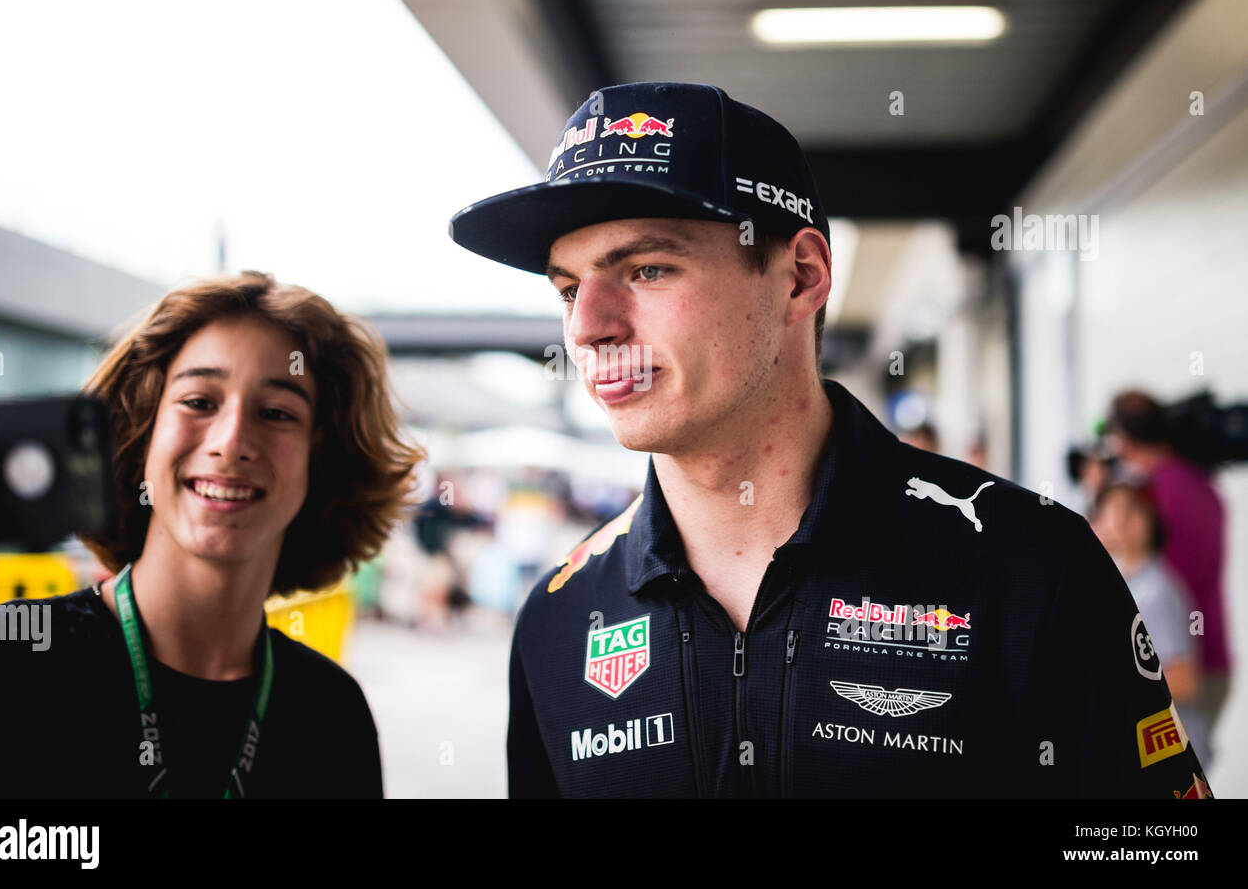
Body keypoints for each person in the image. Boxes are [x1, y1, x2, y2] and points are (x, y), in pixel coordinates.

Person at [448, 81, 1212, 798]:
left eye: (647, 268)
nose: (588, 327)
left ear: (801, 275)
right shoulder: (559, 617)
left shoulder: (1029, 565)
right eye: (569, 288)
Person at [0, 270, 421, 797]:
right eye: (199, 401)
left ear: (321, 460)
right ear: (142, 430)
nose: (232, 440)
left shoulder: (332, 717)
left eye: (276, 412)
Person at [1105, 390, 1230, 750]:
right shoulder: (1202, 483)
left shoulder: (1152, 496)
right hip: (1212, 656)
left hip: (1176, 667)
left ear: (1124, 439)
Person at [1089, 480, 1208, 757]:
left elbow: (1184, 681)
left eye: (1130, 511)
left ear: (1150, 520)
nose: (1117, 520)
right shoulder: (1126, 581)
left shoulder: (1156, 591)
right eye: (1109, 511)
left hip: (1170, 752)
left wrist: (1111, 683)